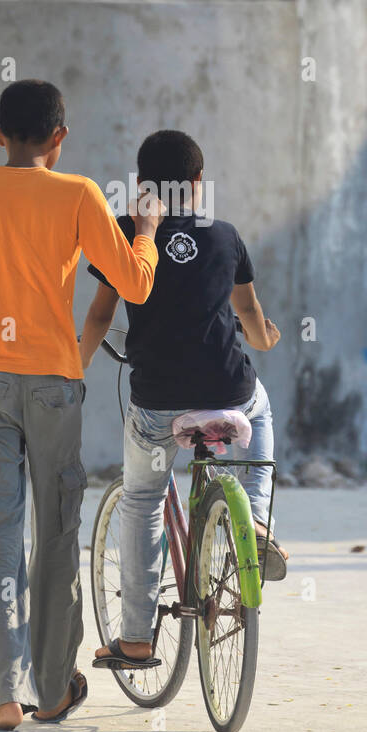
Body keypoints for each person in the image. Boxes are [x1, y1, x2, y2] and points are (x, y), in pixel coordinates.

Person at [0, 80, 161, 732]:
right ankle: (52, 689)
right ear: (60, 137)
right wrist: (145, 234)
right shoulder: (79, 194)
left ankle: (2, 700)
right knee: (54, 534)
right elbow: (134, 283)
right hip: (55, 383)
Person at [79, 129, 286, 672]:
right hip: (229, 391)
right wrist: (267, 338)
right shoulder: (225, 235)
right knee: (260, 406)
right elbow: (252, 320)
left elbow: (101, 315)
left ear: (142, 183)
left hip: (157, 402)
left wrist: (71, 370)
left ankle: (137, 639)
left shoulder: (128, 232)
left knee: (143, 501)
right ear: (198, 183)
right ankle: (258, 524)